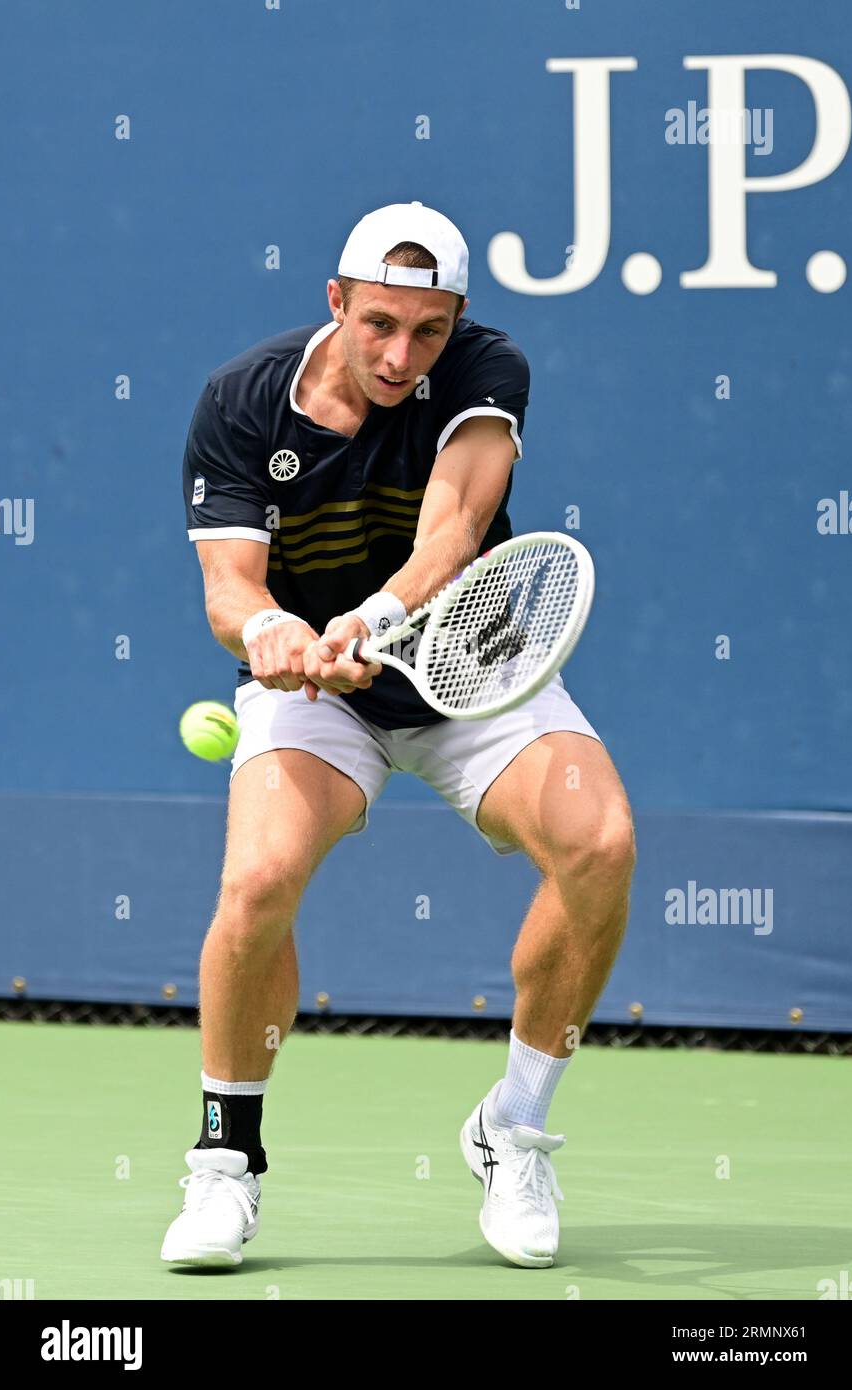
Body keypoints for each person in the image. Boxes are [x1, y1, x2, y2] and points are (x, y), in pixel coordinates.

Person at [162, 201, 636, 1270]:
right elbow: (227, 591)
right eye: (378, 323)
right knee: (258, 882)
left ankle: (510, 1131)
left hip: (473, 660)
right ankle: (222, 1168)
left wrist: (374, 619)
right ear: (333, 302)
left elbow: (455, 527)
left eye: (427, 331)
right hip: (316, 695)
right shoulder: (241, 401)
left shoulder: (483, 366)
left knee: (598, 845)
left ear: (456, 322)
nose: (400, 353)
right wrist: (277, 627)